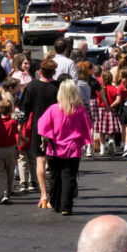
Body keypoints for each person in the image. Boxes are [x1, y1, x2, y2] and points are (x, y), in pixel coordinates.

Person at [37, 79, 92, 216]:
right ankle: (66, 206)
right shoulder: (80, 110)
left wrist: (48, 137)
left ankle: (55, 203)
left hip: (55, 148)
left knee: (55, 177)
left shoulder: (53, 109)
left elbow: (42, 126)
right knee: (69, 177)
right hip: (73, 149)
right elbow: (87, 127)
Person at [19, 59, 59, 208]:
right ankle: (55, 193)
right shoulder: (58, 87)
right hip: (56, 128)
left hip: (39, 128)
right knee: (55, 162)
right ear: (54, 72)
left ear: (40, 71)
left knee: (40, 160)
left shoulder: (32, 86)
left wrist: (19, 128)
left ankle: (44, 195)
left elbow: (22, 109)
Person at [0, 99, 21, 203]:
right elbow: (17, 134)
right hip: (11, 149)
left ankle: (3, 193)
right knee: (10, 172)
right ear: (11, 110)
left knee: (1, 173)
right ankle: (9, 192)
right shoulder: (14, 123)